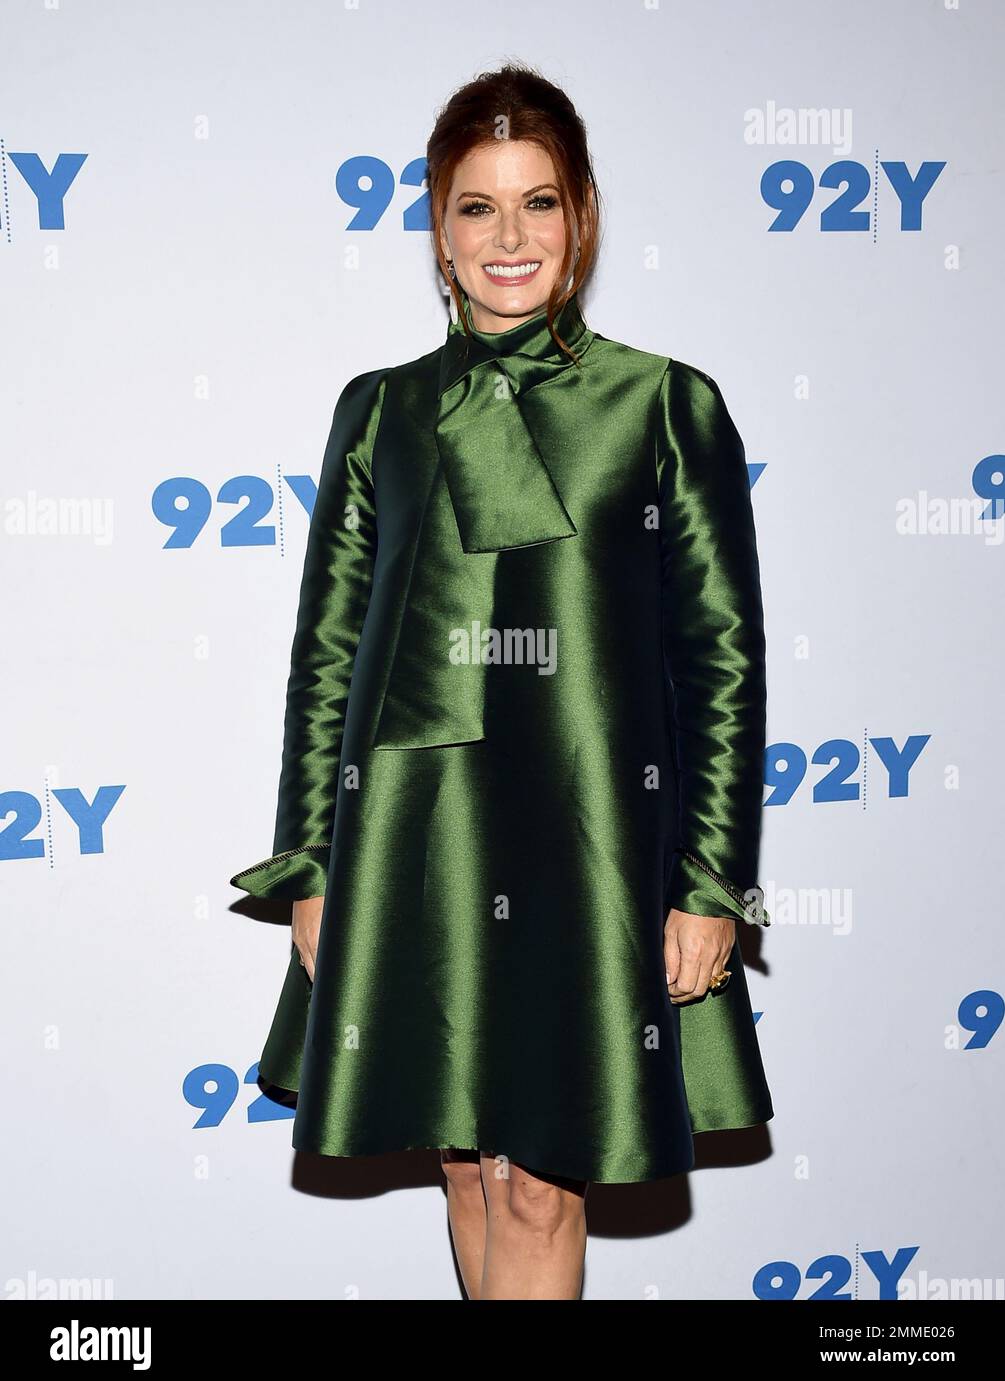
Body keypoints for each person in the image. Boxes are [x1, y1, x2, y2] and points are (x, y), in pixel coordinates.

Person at [231, 62, 773, 1301]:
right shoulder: (379, 414)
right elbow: (328, 656)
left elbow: (724, 663)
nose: (510, 236)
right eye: (478, 207)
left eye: (538, 202)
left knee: (543, 1174)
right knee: (468, 1165)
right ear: (437, 227)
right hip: (424, 834)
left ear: (581, 212)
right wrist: (313, 867)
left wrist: (710, 883)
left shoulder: (665, 406)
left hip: (592, 836)